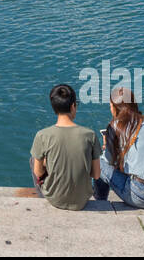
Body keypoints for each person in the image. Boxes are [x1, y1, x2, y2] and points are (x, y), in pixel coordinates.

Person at [92, 88, 144, 209]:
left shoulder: (114, 127)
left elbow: (108, 161)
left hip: (141, 196)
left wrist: (108, 146)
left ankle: (100, 202)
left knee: (98, 162)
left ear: (115, 107)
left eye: (110, 105)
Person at [30, 83, 101, 211]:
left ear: (54, 108)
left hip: (55, 199)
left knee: (34, 160)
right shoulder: (90, 135)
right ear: (73, 106)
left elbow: (38, 172)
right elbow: (96, 175)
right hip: (82, 200)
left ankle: (43, 196)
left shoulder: (42, 135)